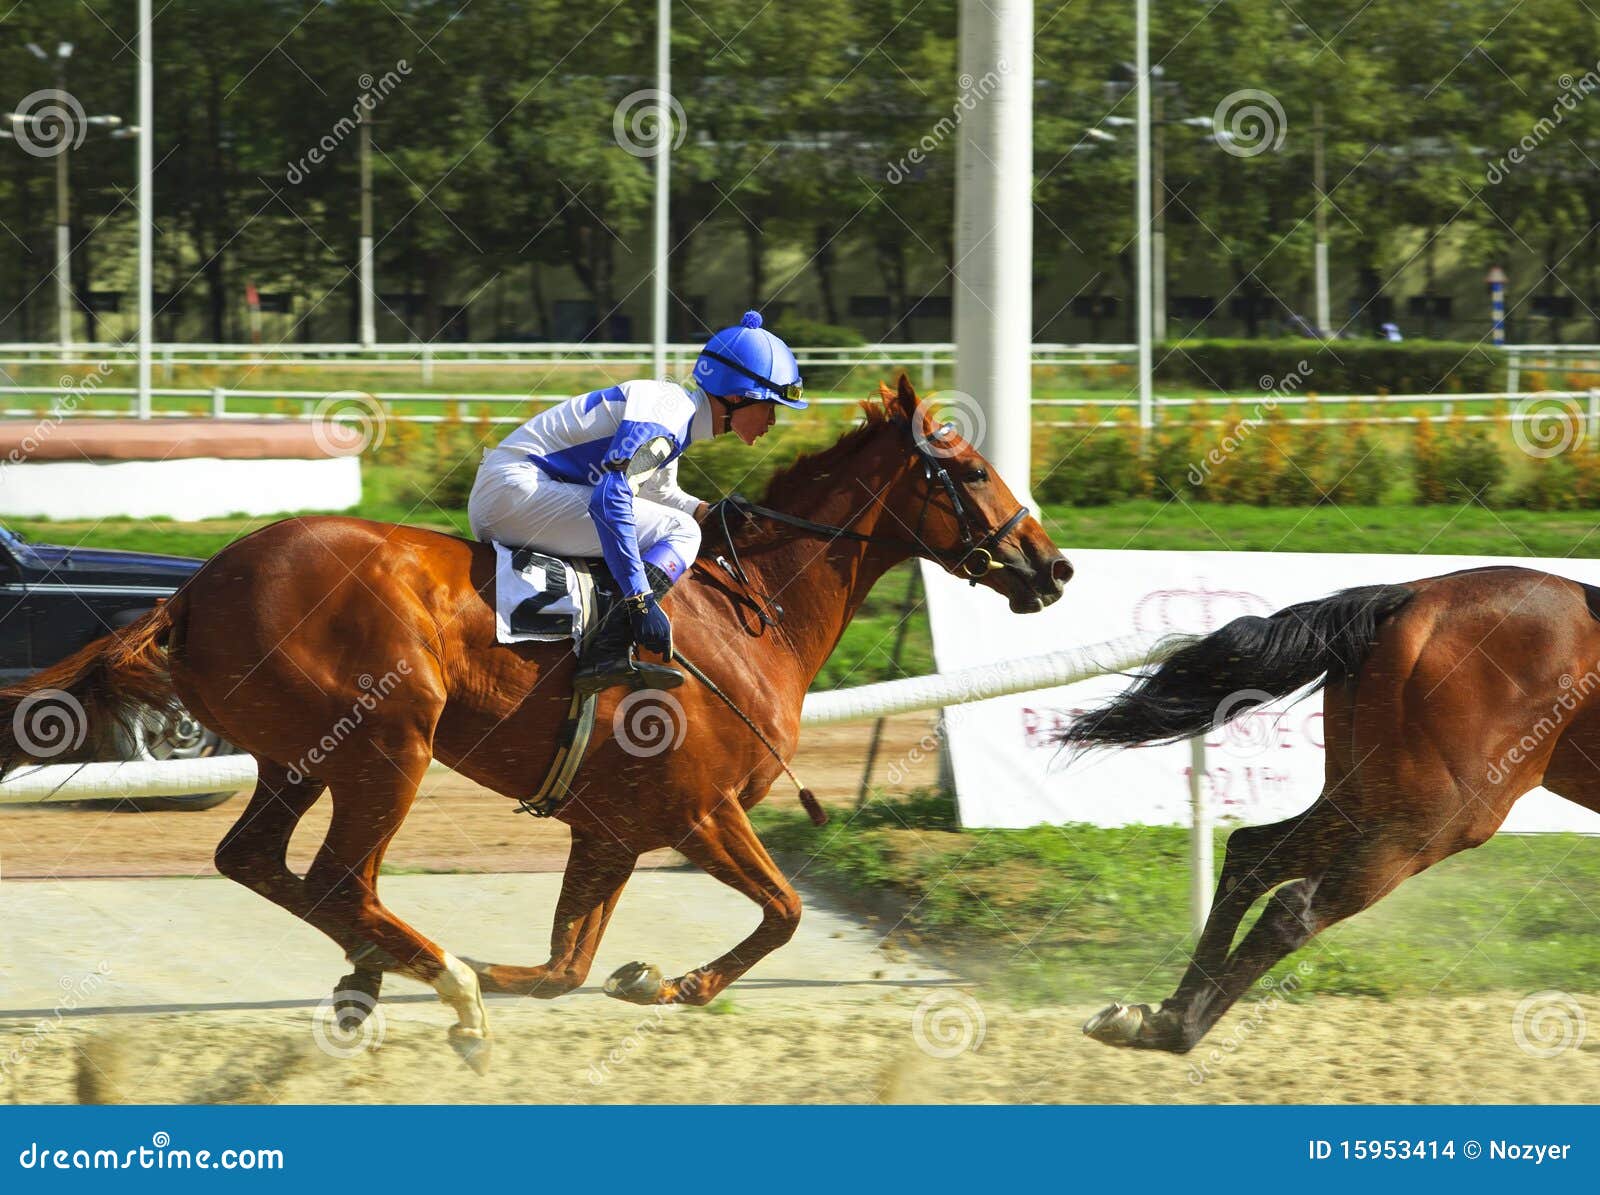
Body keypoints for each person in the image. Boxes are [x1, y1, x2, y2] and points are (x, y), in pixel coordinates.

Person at [468, 311, 805, 693]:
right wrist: (640, 600)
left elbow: (657, 493)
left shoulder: (675, 412)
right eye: (771, 406)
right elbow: (610, 498)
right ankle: (609, 646)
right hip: (516, 491)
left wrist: (711, 512)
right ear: (736, 397)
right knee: (681, 532)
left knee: (684, 522)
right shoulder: (667, 415)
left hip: (515, 491)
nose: (773, 421)